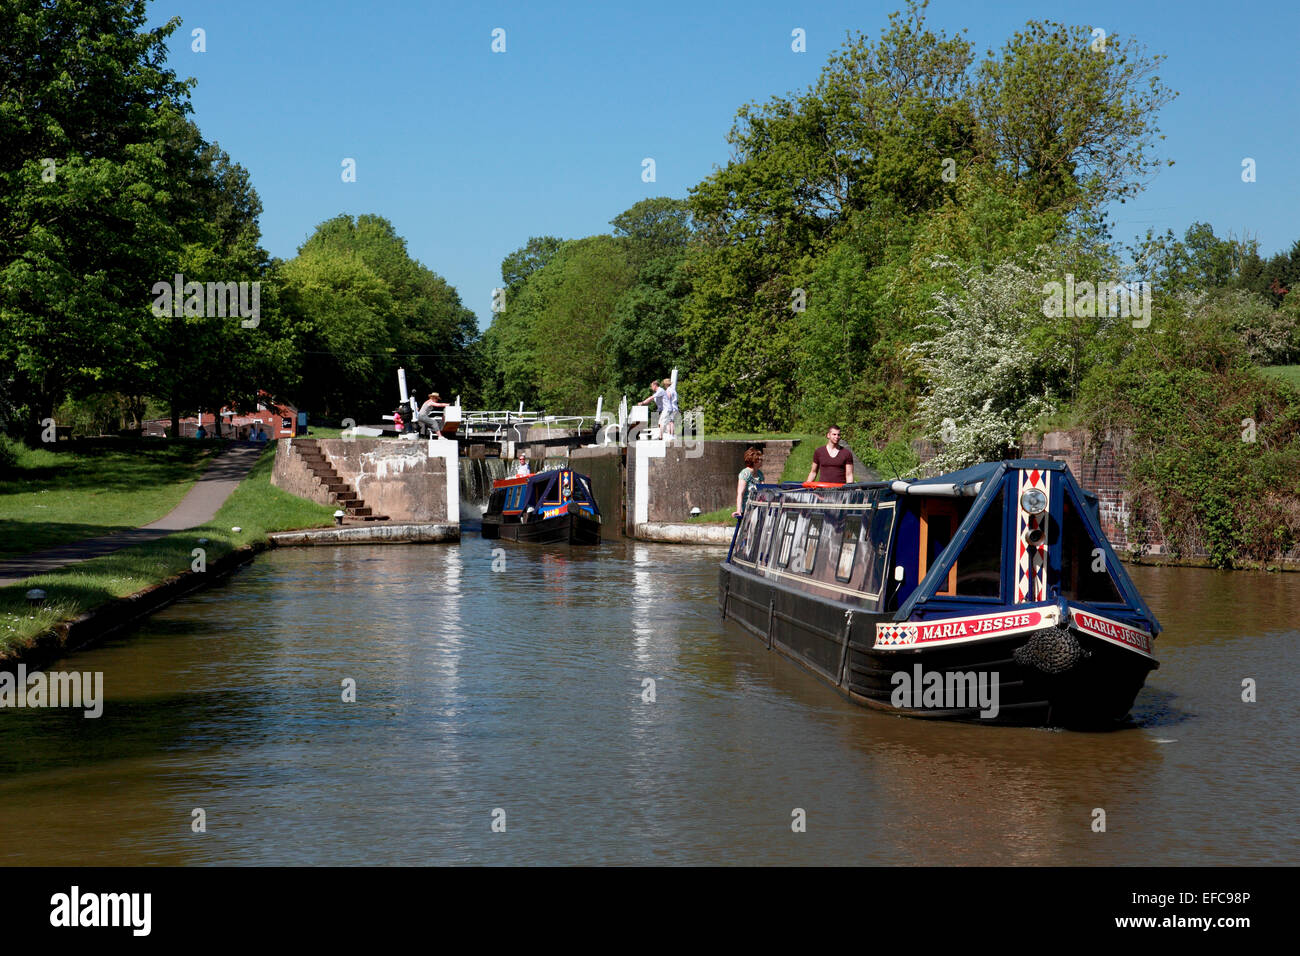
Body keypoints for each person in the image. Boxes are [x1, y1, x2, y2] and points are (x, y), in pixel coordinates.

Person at [733, 446, 765, 518]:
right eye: (760, 459)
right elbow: (740, 493)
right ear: (754, 461)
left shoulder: (760, 474)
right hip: (747, 509)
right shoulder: (745, 474)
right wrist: (738, 510)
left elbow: (764, 491)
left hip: (757, 508)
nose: (762, 460)